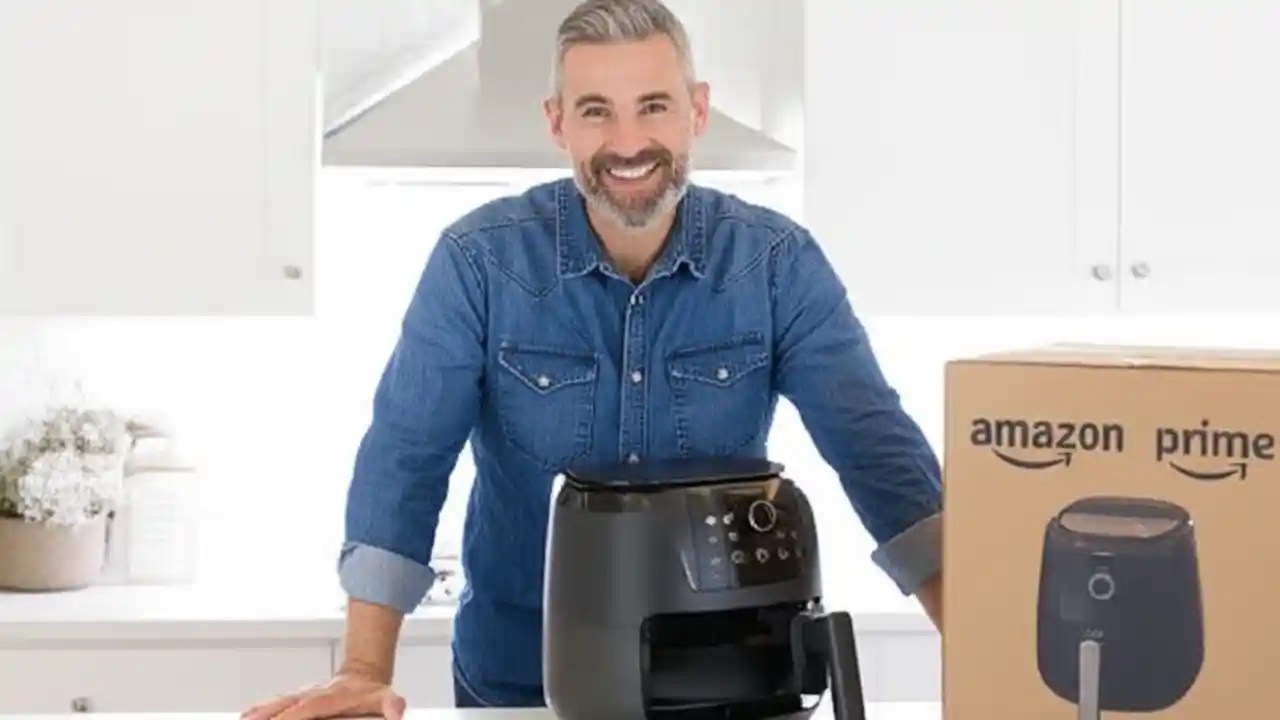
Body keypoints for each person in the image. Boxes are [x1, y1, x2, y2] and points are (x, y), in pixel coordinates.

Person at [241, 0, 943, 717]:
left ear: (697, 111)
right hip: (521, 685)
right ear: (558, 123)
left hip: (727, 688)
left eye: (654, 106)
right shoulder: (478, 265)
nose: (629, 141)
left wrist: (991, 655)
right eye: (597, 110)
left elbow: (878, 453)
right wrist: (362, 668)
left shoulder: (777, 265)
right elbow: (405, 458)